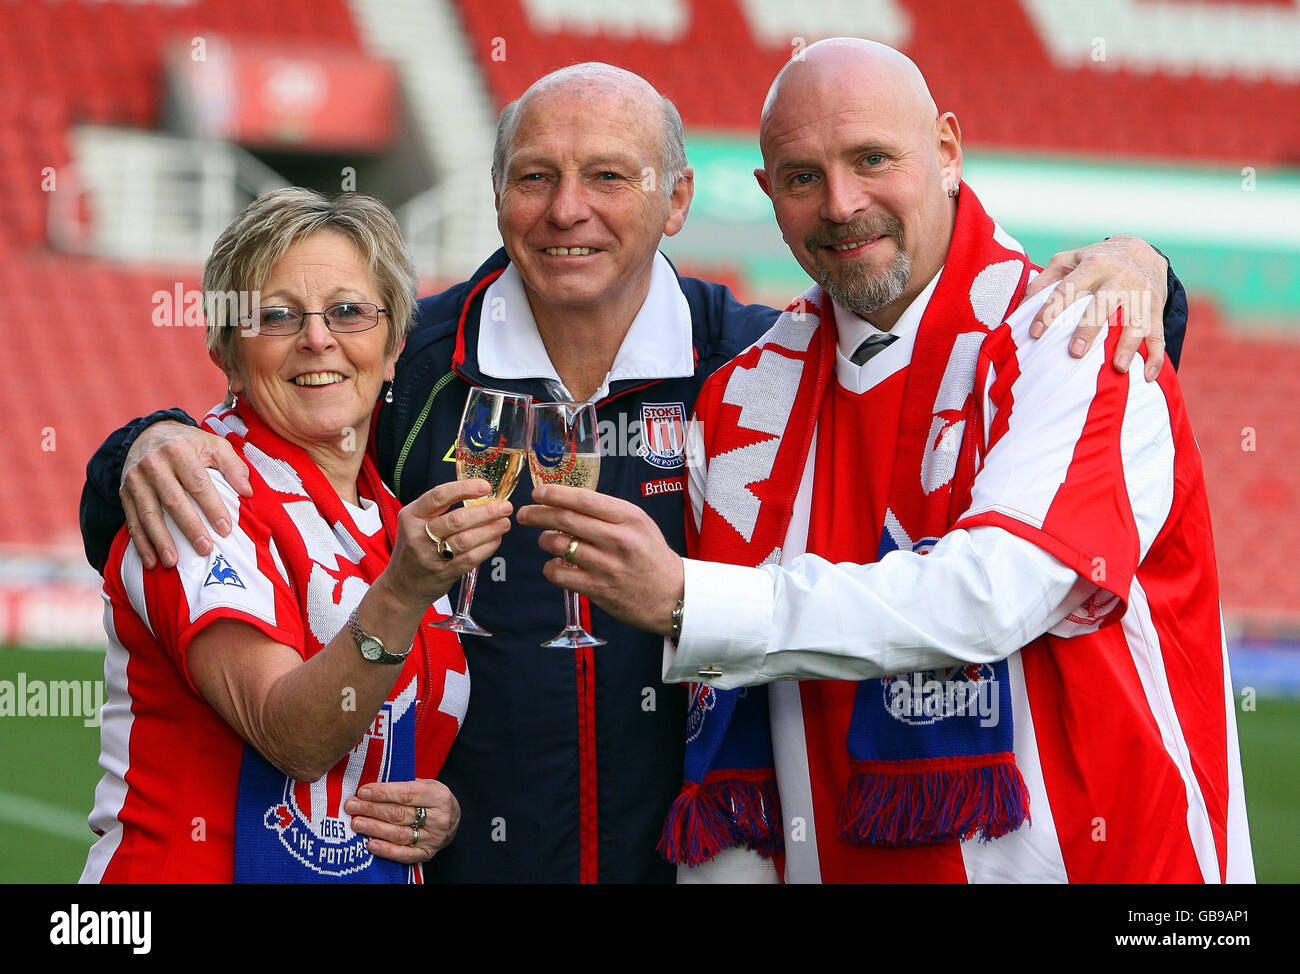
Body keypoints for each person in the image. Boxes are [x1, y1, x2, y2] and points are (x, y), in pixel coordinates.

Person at [81, 63, 1186, 883]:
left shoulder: (747, 362)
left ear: (677, 200)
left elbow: (916, 342)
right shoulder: (407, 371)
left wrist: (1146, 277)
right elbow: (276, 418)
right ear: (499, 194)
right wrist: (141, 445)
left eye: (610, 175)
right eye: (536, 177)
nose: (570, 209)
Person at [517, 40, 1252, 884]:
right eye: (800, 177)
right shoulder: (743, 396)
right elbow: (733, 736)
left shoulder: (1079, 333)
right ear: (768, 194)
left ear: (946, 151)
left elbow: (996, 594)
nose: (841, 203)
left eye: (872, 158)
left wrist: (696, 600)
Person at [81, 188, 513, 882]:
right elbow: (296, 737)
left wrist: (434, 813)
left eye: (349, 311)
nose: (319, 338)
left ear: (395, 343)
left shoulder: (390, 517)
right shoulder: (192, 483)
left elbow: (380, 760)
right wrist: (401, 592)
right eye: (277, 315)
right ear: (225, 347)